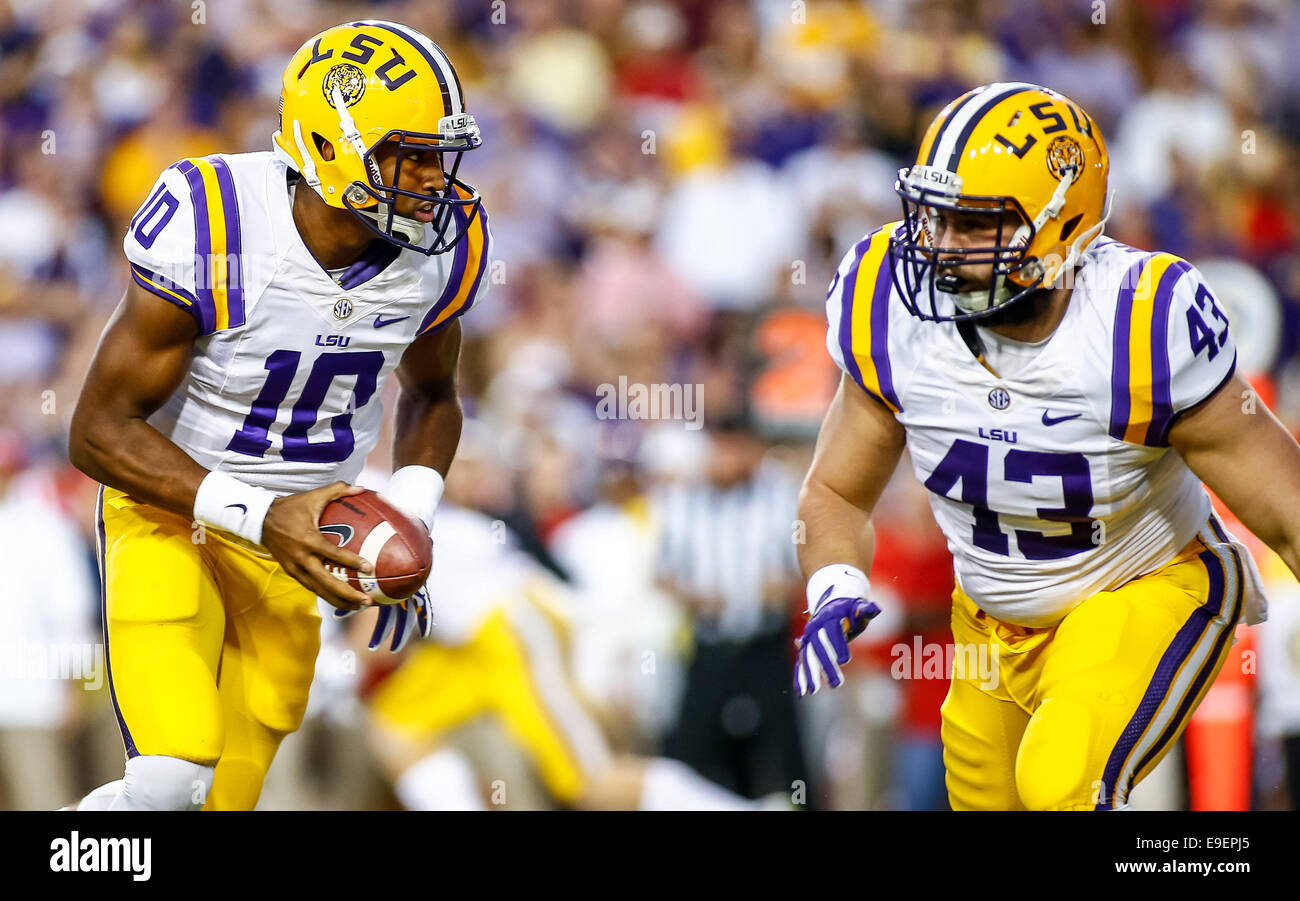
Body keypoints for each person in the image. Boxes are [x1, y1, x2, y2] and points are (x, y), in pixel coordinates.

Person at [793, 82, 1280, 811]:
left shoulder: (1135, 324)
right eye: (933, 219)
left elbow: (1287, 508)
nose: (939, 249)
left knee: (1060, 783)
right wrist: (834, 583)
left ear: (1062, 228)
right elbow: (834, 491)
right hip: (992, 622)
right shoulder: (889, 301)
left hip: (1145, 584)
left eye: (973, 225)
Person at [64, 20, 491, 811]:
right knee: (169, 779)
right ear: (331, 150)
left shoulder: (444, 249)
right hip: (170, 510)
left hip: (303, 541)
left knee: (224, 803)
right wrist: (263, 515)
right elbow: (96, 430)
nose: (436, 180)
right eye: (413, 155)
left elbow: (433, 395)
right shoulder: (218, 222)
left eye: (442, 156)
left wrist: (410, 517)